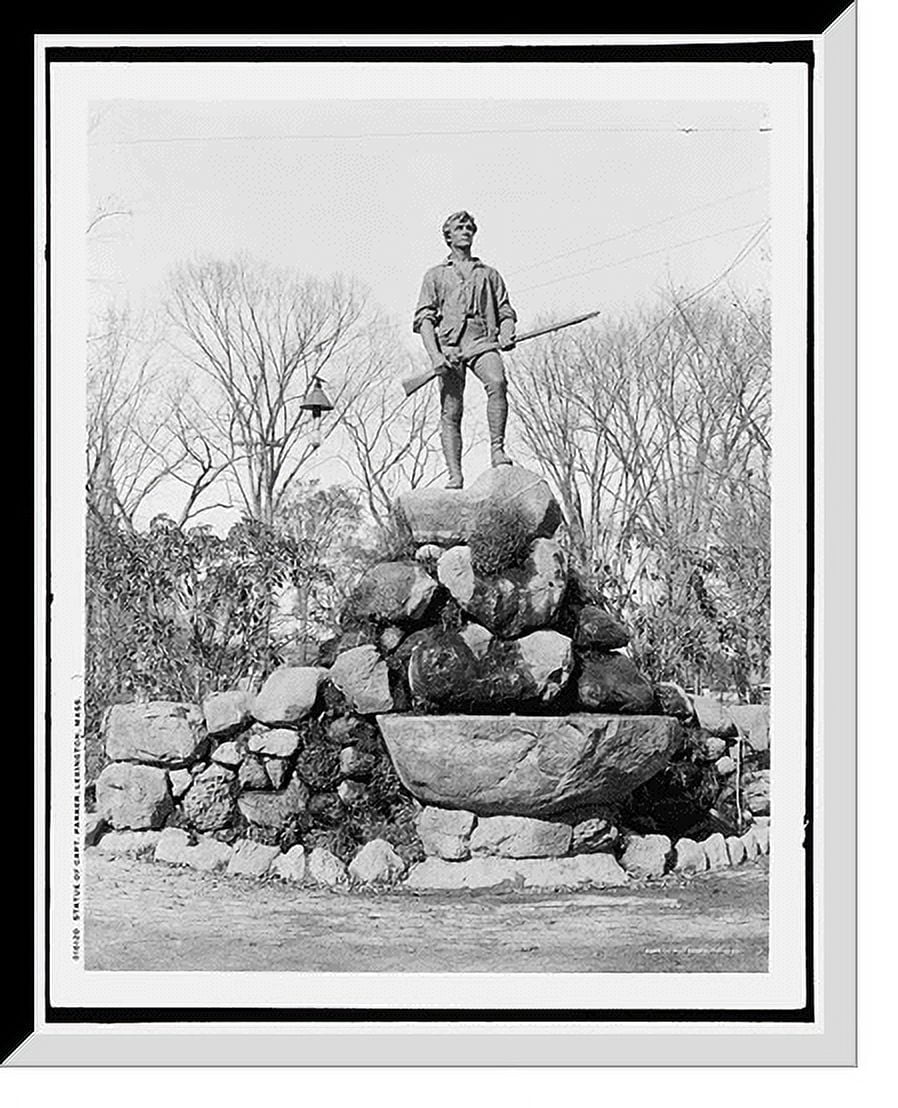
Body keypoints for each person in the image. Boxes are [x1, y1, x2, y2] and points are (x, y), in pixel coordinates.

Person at [413, 210, 517, 489]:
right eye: (459, 227)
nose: (466, 231)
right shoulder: (435, 275)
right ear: (448, 236)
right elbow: (424, 319)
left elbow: (505, 310)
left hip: (482, 341)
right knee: (451, 409)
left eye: (469, 227)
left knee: (497, 381)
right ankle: (454, 473)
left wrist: (506, 331)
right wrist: (436, 355)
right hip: (449, 348)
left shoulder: (489, 274)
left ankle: (497, 450)